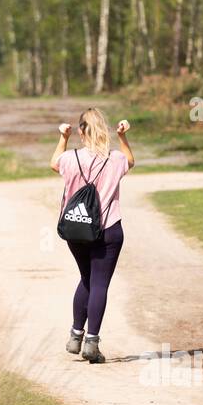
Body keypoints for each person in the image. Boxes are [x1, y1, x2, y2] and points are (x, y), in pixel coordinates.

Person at [49, 108, 134, 364]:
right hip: (108, 229)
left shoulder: (70, 159)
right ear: (104, 130)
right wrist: (123, 137)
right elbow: (131, 161)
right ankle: (92, 343)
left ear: (81, 131)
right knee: (100, 284)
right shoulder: (116, 159)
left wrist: (63, 137)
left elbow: (54, 163)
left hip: (77, 230)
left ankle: (75, 336)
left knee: (86, 278)